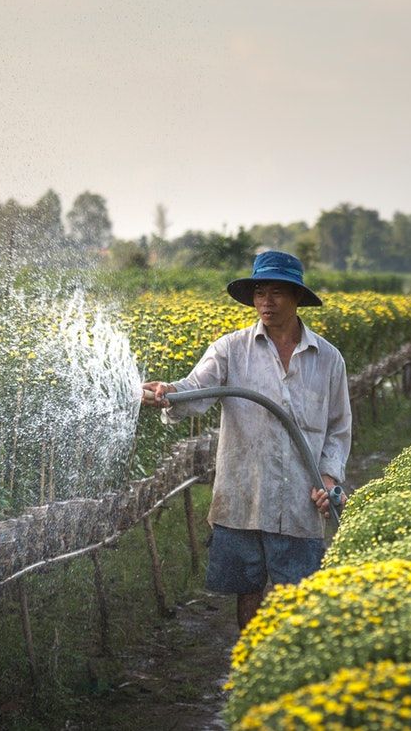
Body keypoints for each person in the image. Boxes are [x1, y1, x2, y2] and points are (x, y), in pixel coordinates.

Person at [139, 250, 351, 630]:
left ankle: (292, 673)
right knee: (247, 590)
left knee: (299, 599)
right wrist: (167, 390)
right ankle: (250, 666)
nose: (265, 302)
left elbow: (338, 428)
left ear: (297, 297)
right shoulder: (230, 349)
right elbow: (195, 389)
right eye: (259, 293)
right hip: (244, 492)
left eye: (276, 293)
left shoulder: (329, 359)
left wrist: (330, 479)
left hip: (302, 496)